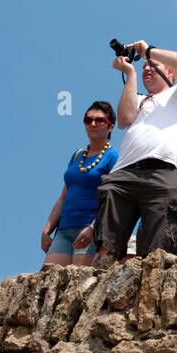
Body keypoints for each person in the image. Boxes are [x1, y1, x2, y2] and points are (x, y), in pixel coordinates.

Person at [94, 41, 177, 268]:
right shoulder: (140, 99)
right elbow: (124, 118)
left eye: (153, 66)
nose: (147, 69)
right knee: (107, 240)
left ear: (169, 71)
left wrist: (147, 51)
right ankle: (100, 279)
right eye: (144, 68)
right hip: (125, 172)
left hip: (165, 173)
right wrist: (131, 72)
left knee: (160, 247)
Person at [42, 101, 118, 267]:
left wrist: (92, 228)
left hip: (89, 230)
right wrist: (47, 230)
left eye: (99, 121)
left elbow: (114, 200)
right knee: (48, 283)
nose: (92, 124)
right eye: (88, 119)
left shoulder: (113, 157)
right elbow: (63, 197)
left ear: (110, 127)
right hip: (63, 231)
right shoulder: (77, 156)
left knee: (79, 286)